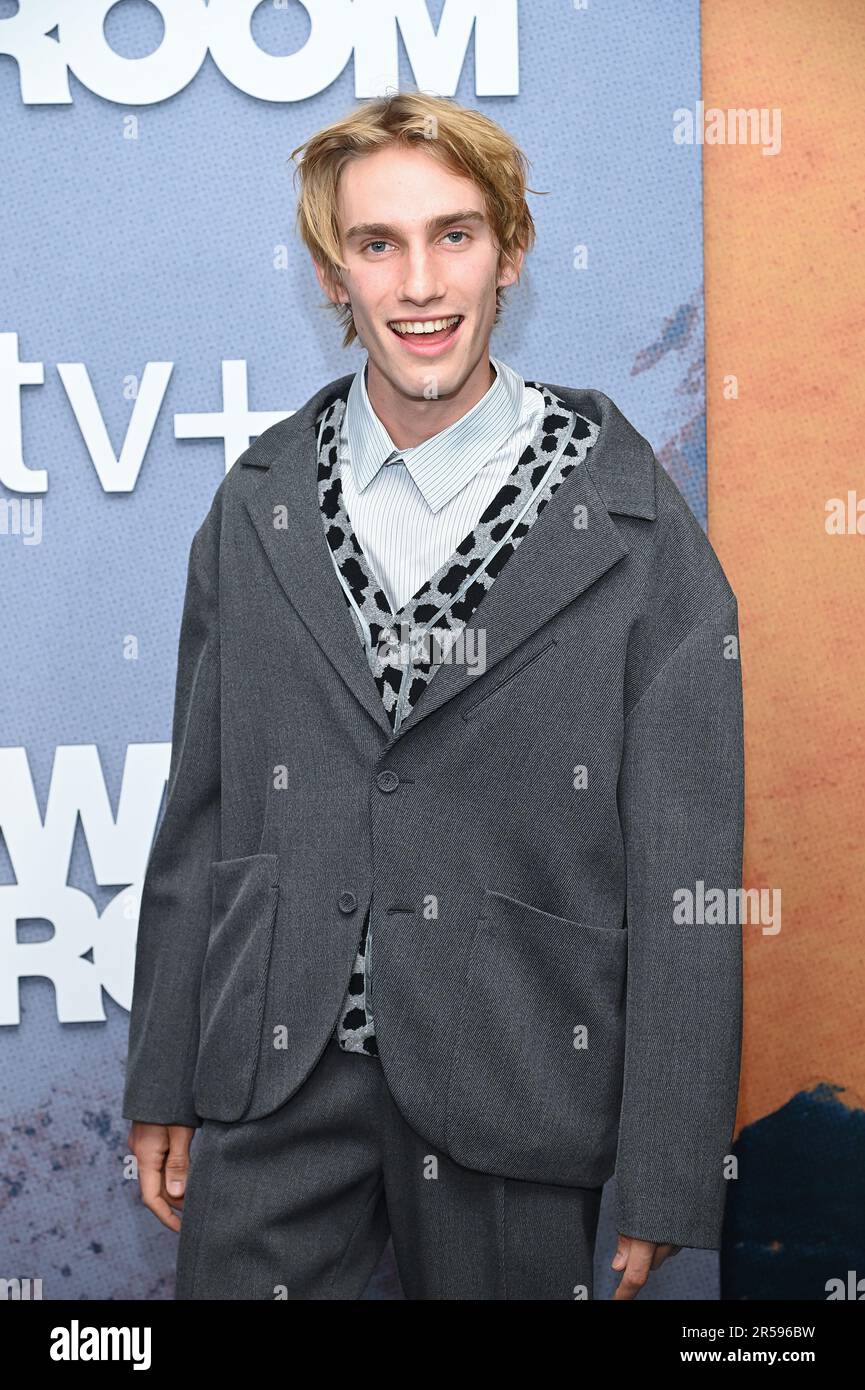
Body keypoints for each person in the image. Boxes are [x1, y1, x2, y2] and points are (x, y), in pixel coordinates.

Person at [123, 90, 744, 1301]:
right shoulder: (256, 507)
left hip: (513, 1071)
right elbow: (198, 811)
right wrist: (161, 1076)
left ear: (510, 250)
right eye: (377, 243)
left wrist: (671, 1166)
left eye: (453, 235)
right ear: (330, 273)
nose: (418, 283)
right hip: (273, 1073)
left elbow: (689, 864)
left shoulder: (630, 522)